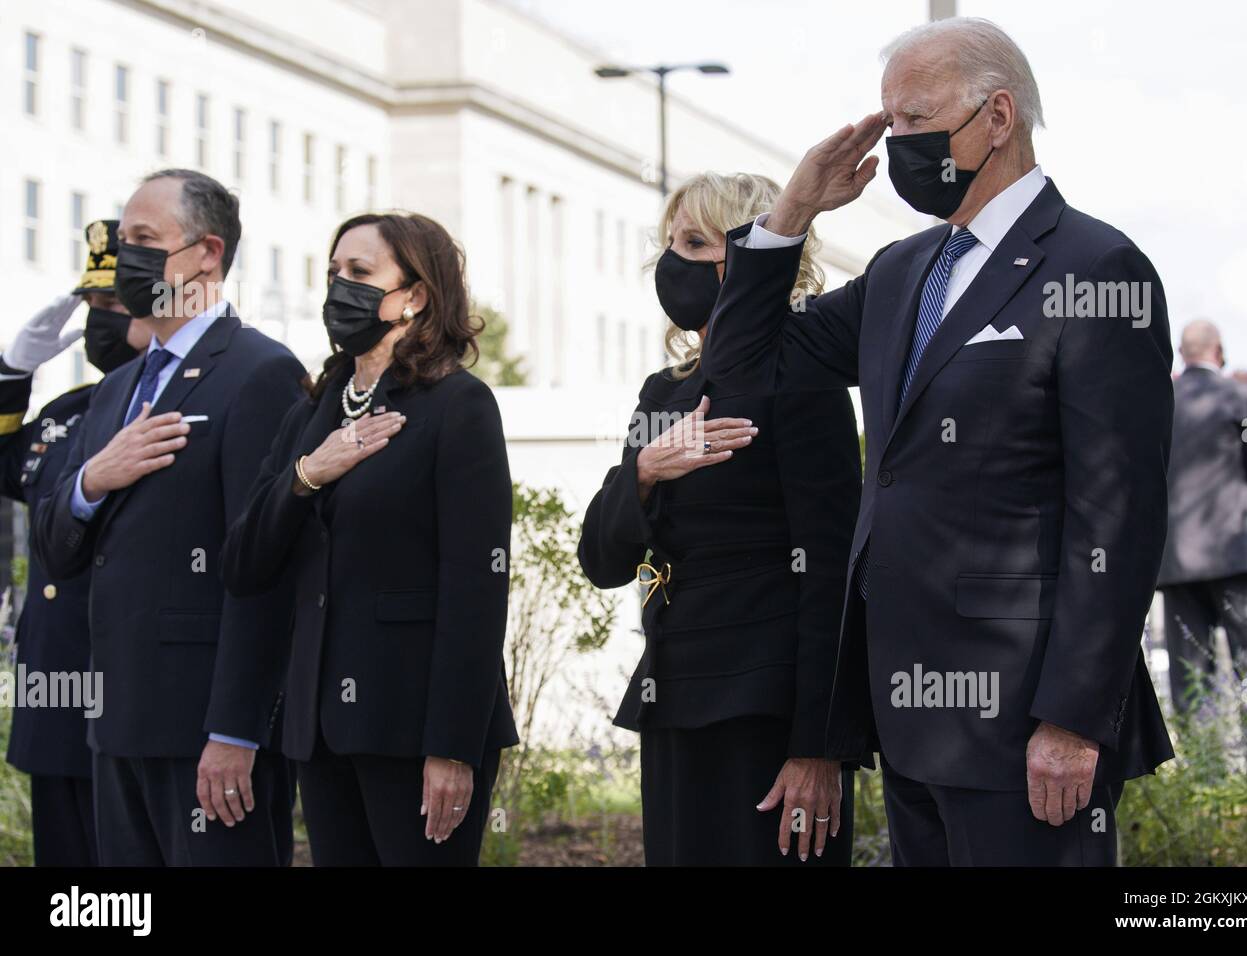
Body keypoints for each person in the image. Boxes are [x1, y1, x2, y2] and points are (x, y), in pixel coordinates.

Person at [701, 17, 1175, 866]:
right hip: (905, 712)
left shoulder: (1097, 267)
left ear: (998, 117)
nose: (899, 143)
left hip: (1027, 717)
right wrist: (792, 210)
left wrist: (1070, 719)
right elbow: (742, 369)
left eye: (916, 121)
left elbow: (1121, 515)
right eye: (890, 123)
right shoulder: (900, 269)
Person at [578, 172, 861, 866]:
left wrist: (818, 748)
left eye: (693, 242)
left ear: (745, 255)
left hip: (765, 712)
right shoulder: (663, 390)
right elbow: (602, 561)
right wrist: (644, 472)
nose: (670, 263)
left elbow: (833, 569)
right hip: (672, 694)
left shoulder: (801, 372)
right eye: (671, 243)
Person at [221, 212, 518, 866]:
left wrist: (452, 747)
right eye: (333, 273)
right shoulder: (313, 410)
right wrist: (305, 475)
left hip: (415, 732)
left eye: (360, 273)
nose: (339, 288)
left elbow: (476, 589)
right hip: (322, 729)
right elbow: (244, 563)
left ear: (414, 295)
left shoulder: (457, 406)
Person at [34, 170, 305, 866]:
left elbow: (266, 568)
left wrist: (237, 731)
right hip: (114, 725)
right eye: (123, 241)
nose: (127, 258)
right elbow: (56, 546)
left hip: (207, 737)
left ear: (207, 254)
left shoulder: (259, 372)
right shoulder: (117, 389)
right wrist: (95, 478)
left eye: (145, 240)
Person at [0, 220, 151, 865]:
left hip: (132, 684)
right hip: (54, 682)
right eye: (92, 306)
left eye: (114, 304)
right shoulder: (68, 412)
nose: (99, 321)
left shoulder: (185, 401)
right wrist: (11, 373)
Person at [1158, 320, 1247, 712]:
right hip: (1241, 557)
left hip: (1180, 565)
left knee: (1192, 676)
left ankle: (1205, 773)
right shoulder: (1241, 398)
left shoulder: (1161, 404)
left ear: (1182, 354)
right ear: (1220, 350)